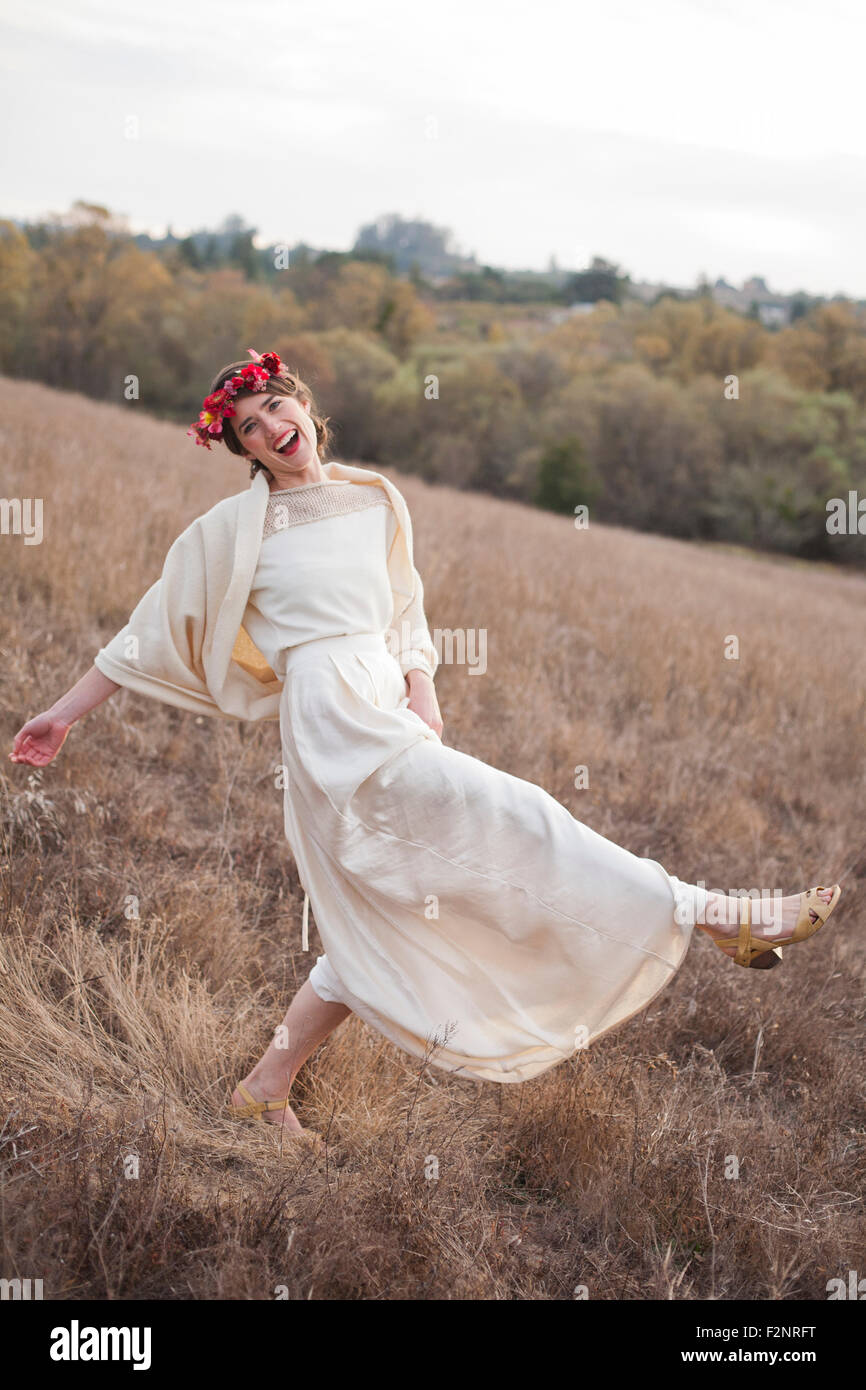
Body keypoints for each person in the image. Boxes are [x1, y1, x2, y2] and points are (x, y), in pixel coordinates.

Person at [9, 350, 842, 1142]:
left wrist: (423, 688)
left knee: (376, 914)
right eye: (250, 429)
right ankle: (717, 912)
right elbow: (146, 633)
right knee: (521, 814)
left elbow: (405, 610)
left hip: (386, 708)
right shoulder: (233, 530)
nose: (270, 428)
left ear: (302, 404)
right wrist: (63, 714)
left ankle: (261, 1091)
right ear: (240, 450)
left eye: (275, 407)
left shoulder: (376, 499)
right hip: (330, 721)